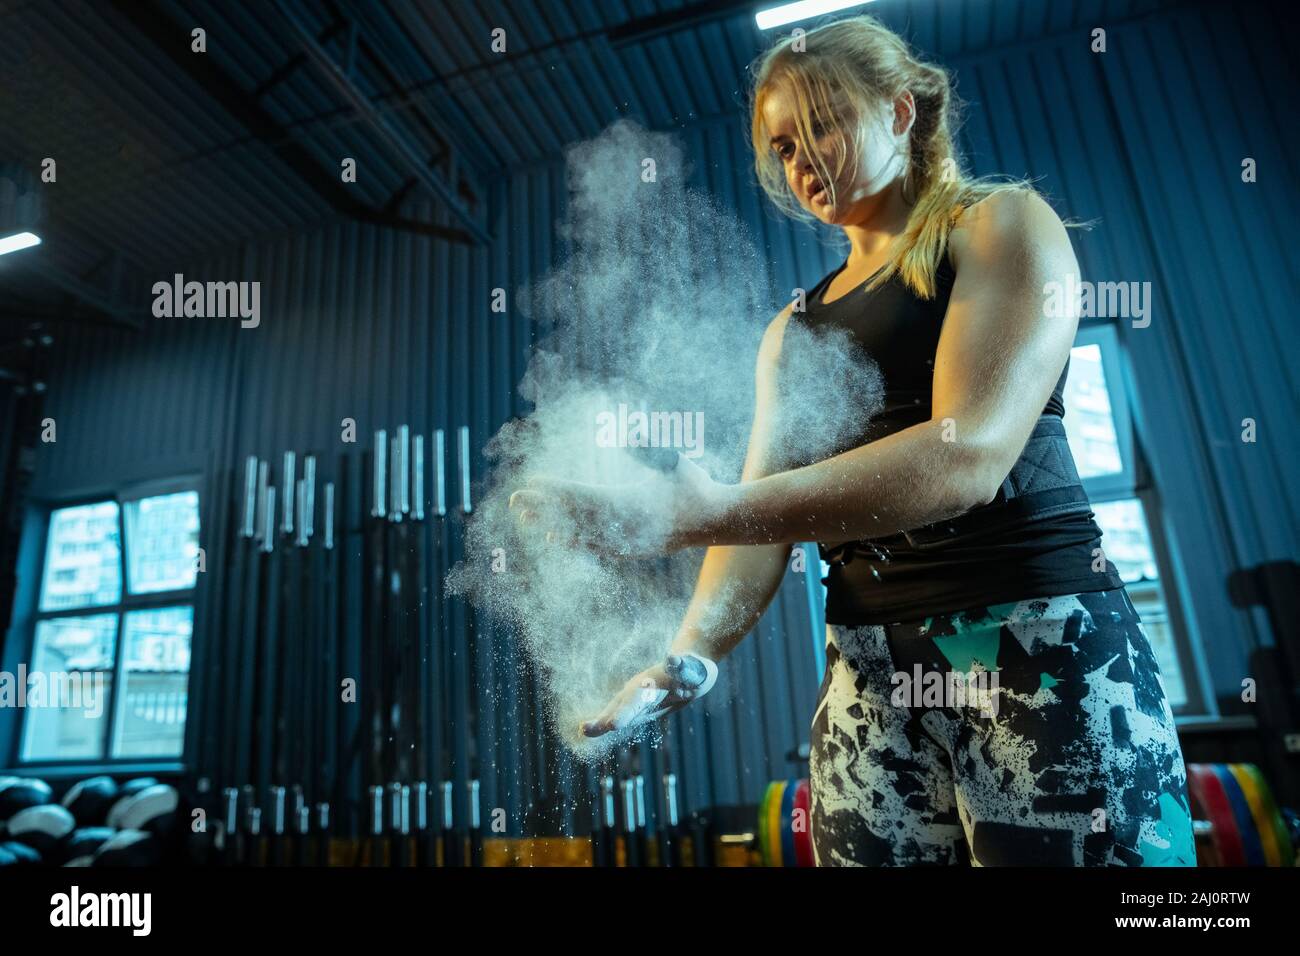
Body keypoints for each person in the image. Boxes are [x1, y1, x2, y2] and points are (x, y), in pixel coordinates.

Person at [509, 15, 1194, 867]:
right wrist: (685, 657)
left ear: (902, 112)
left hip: (1037, 641)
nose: (804, 162)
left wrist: (692, 516)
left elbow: (965, 456)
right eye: (785, 147)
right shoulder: (792, 330)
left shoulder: (1001, 227)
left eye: (826, 123)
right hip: (869, 670)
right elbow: (755, 524)